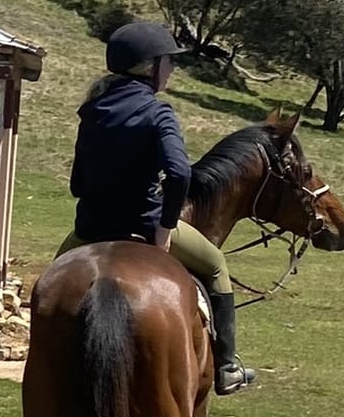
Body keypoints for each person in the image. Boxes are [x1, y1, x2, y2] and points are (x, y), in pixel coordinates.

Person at [55, 21, 255, 395]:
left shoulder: (92, 110)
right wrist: (164, 227)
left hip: (90, 229)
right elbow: (178, 173)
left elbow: (77, 184)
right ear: (150, 67)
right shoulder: (158, 112)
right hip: (145, 224)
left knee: (54, 282)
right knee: (215, 265)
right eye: (169, 62)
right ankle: (228, 365)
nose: (172, 69)